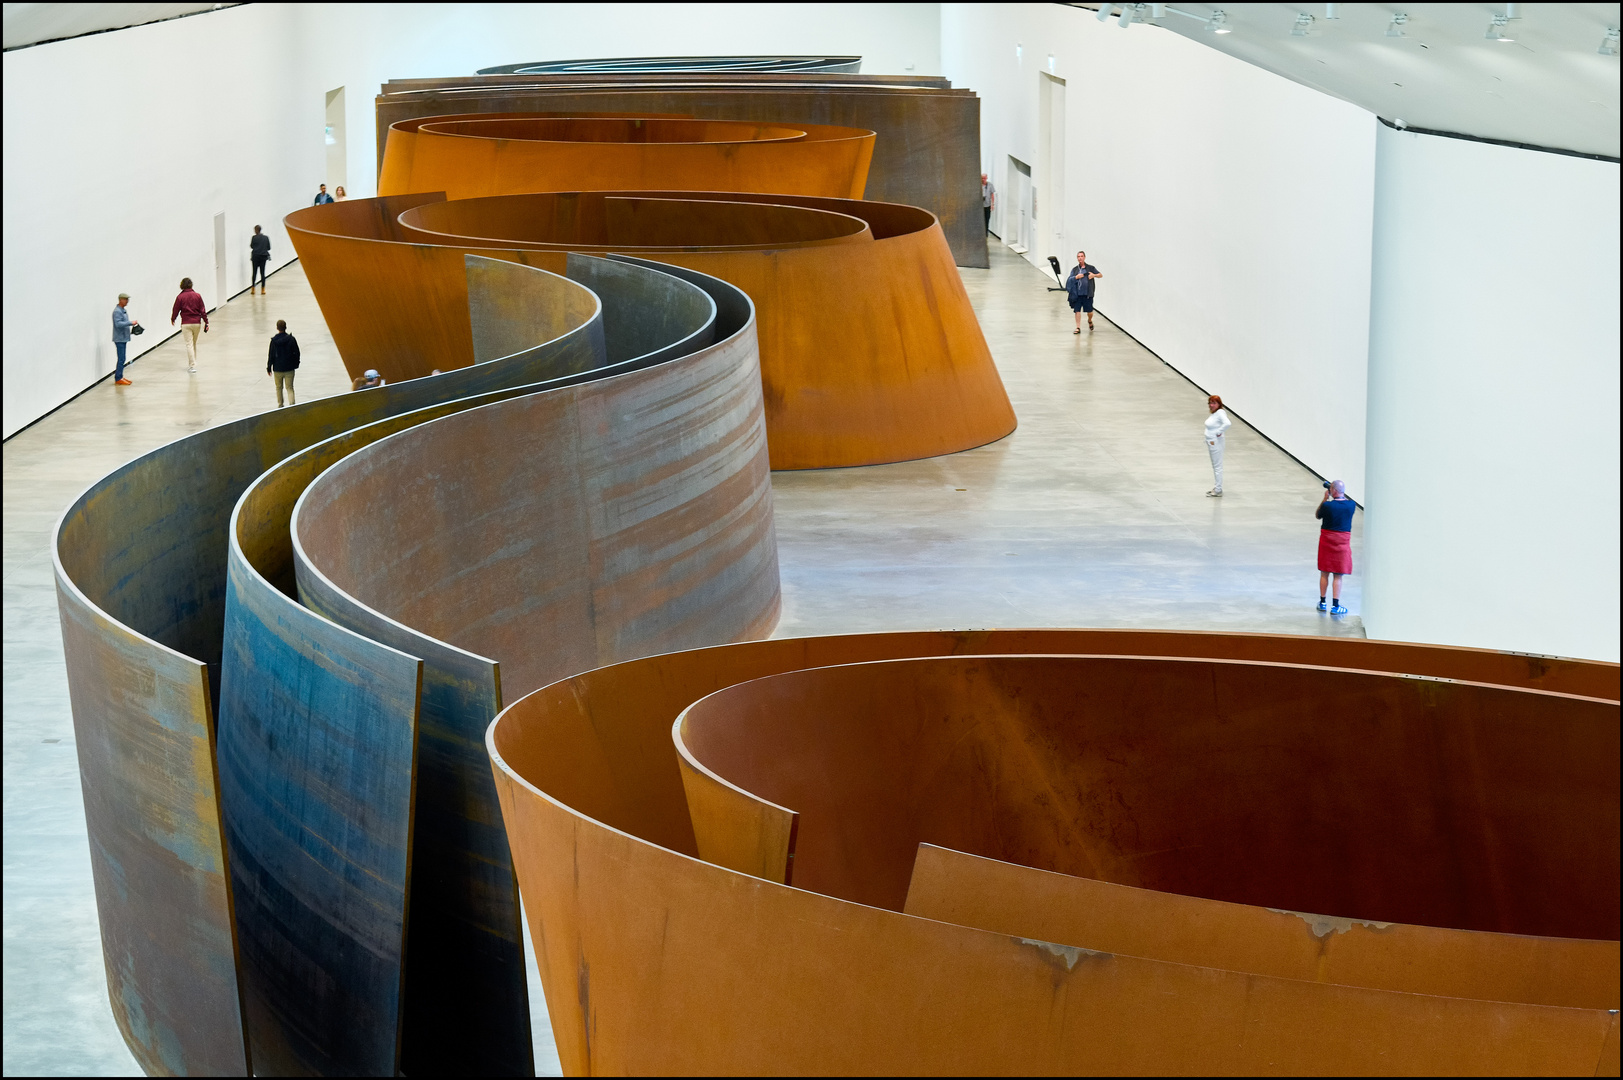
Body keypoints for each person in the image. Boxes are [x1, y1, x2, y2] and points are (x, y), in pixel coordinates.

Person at [1316, 481, 1355, 614]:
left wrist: (1325, 498)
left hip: (1327, 541)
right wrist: (1336, 490)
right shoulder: (1351, 505)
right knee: (1338, 576)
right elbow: (1346, 500)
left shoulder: (1327, 506)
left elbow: (1318, 515)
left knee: (1324, 573)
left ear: (1332, 490)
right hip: (1342, 543)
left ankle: (1322, 603)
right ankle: (1336, 606)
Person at [170, 277, 208, 373]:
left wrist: (173, 318)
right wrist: (206, 322)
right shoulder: (197, 296)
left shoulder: (180, 297)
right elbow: (202, 310)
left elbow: (176, 309)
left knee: (189, 344)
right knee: (193, 343)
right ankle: (193, 363)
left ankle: (192, 366)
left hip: (186, 323)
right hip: (196, 323)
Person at [1065, 250, 1102, 333]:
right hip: (1077, 294)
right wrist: (1076, 277)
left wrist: (1094, 275)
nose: (1080, 258)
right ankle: (1078, 327)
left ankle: (1089, 320)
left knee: (1090, 311)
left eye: (1081, 256)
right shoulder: (1075, 270)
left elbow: (1100, 275)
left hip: (1087, 294)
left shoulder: (1090, 268)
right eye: (1078, 256)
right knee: (1077, 310)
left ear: (1084, 257)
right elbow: (1069, 280)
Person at [267, 319, 300, 407]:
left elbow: (271, 355)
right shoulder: (291, 339)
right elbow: (297, 352)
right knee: (290, 388)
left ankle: (280, 405)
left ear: (277, 328)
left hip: (278, 368)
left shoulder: (274, 342)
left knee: (278, 388)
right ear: (285, 327)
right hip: (289, 368)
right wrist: (296, 363)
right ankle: (292, 405)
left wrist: (269, 367)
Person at [1204, 394, 1231, 497]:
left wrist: (1218, 432)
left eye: (1214, 403)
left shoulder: (1220, 413)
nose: (1211, 405)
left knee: (1217, 466)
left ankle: (1218, 489)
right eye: (1210, 403)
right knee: (1215, 466)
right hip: (1212, 442)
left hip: (1216, 443)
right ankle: (1217, 487)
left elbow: (1227, 423)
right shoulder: (1214, 414)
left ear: (1219, 404)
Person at [111, 292, 140, 386]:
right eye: (125, 299)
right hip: (119, 339)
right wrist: (130, 323)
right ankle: (118, 377)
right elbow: (118, 324)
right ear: (120, 300)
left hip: (123, 338)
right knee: (121, 358)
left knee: (122, 358)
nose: (127, 301)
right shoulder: (117, 311)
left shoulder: (123, 310)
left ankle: (120, 376)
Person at [249, 225, 270, 295]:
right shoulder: (266, 238)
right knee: (262, 273)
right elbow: (269, 247)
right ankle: (263, 289)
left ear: (256, 230)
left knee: (254, 273)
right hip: (263, 257)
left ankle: (253, 289)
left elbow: (251, 246)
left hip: (255, 257)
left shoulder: (254, 238)